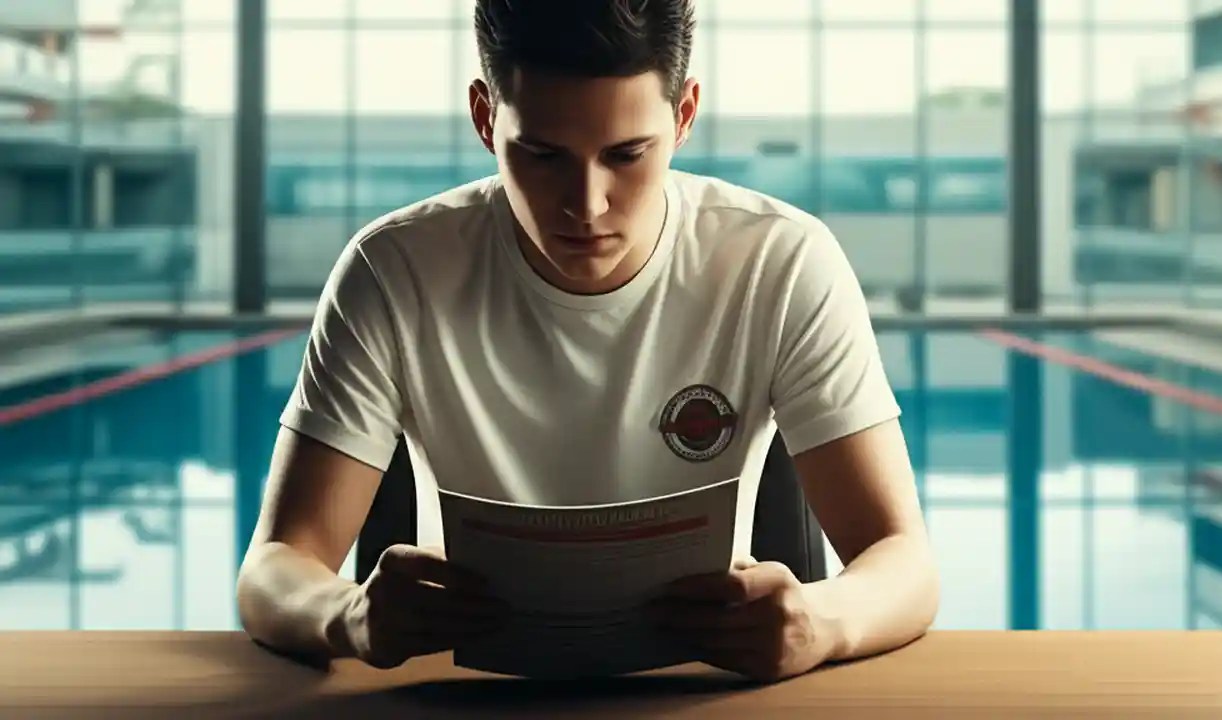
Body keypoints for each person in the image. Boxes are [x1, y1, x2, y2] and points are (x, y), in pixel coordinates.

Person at [236, 0, 939, 683]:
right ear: (485, 117)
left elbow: (904, 561)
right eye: (543, 156)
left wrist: (821, 621)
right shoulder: (393, 272)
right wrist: (349, 615)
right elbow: (274, 567)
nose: (587, 204)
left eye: (628, 154)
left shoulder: (779, 263)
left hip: (704, 696)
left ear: (685, 114)